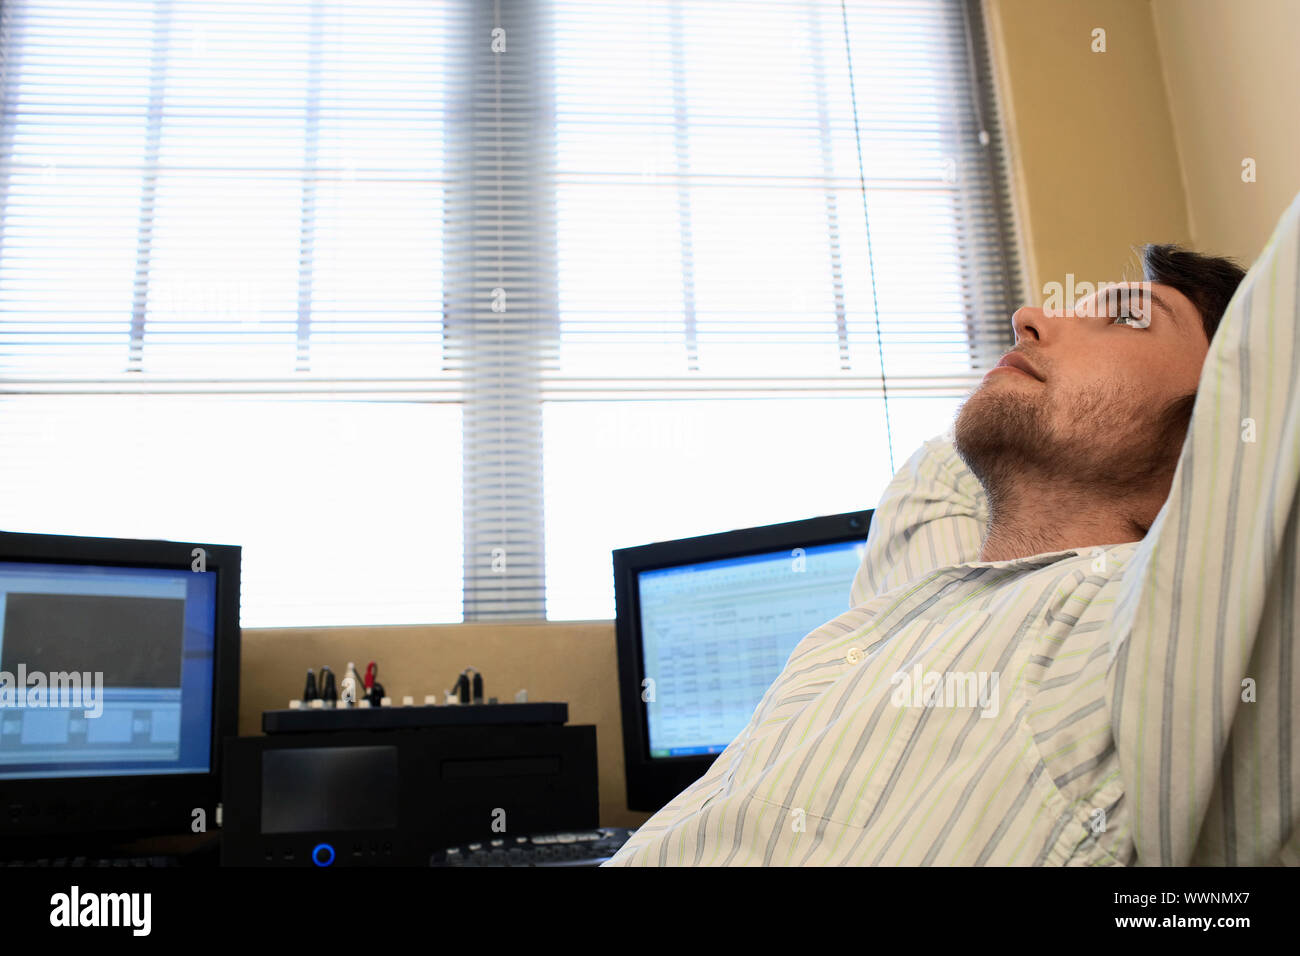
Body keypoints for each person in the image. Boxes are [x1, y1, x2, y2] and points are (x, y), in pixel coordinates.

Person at [604, 192, 1300, 866]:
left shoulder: (1144, 632)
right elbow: (937, 473)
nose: (1027, 317)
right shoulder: (857, 638)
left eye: (1126, 319)